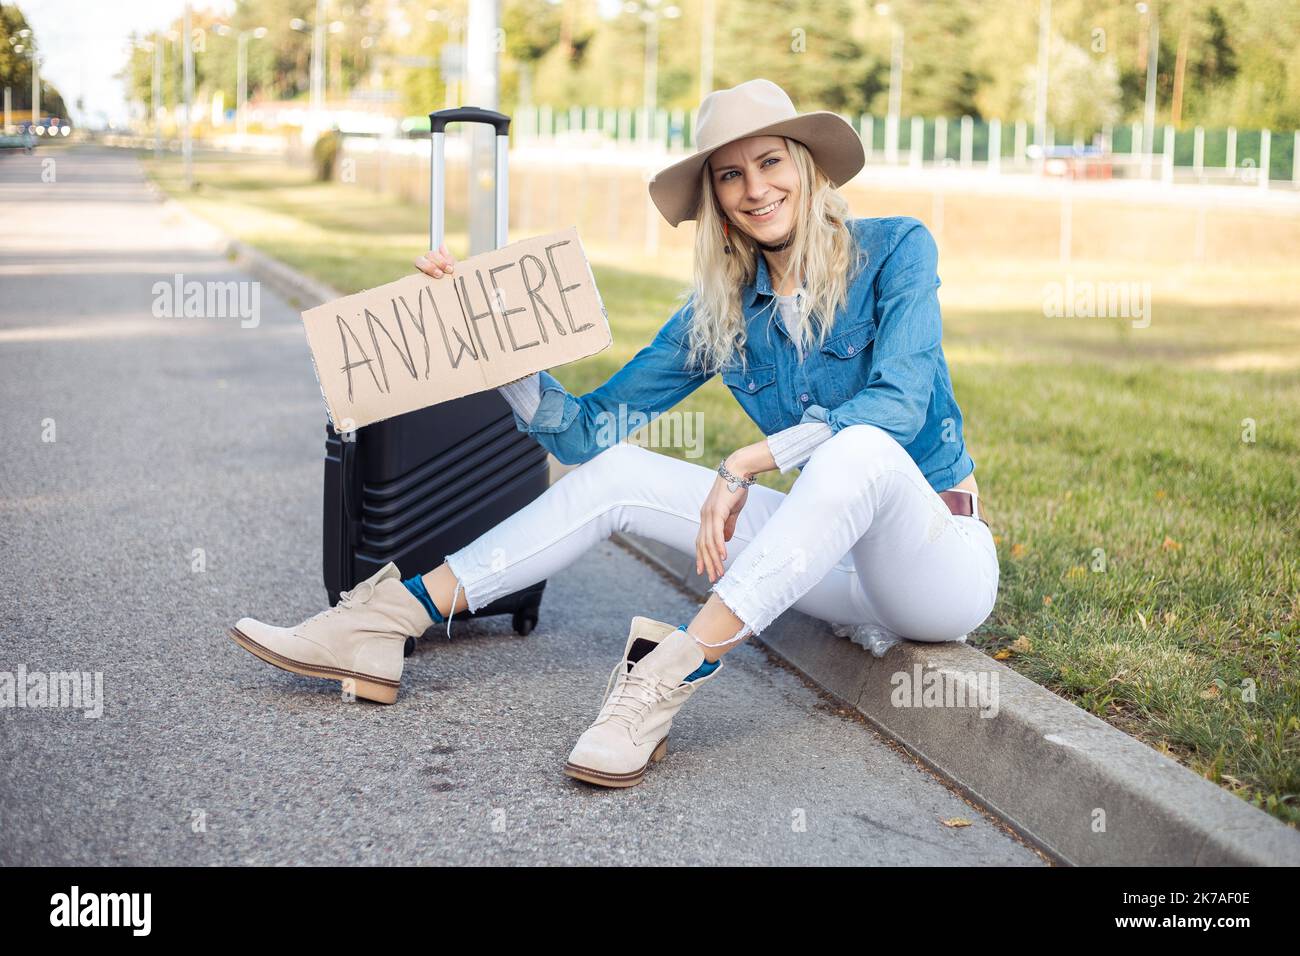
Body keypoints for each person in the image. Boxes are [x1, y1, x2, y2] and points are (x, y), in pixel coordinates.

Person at [229, 78, 999, 789]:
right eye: (731, 175)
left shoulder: (897, 249)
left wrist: (747, 461)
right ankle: (386, 621)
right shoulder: (720, 311)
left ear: (804, 164)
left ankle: (664, 677)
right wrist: (486, 331)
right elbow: (586, 434)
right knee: (620, 471)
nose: (756, 188)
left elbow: (897, 407)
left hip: (934, 567)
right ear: (716, 198)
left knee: (860, 444)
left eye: (770, 162)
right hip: (824, 563)